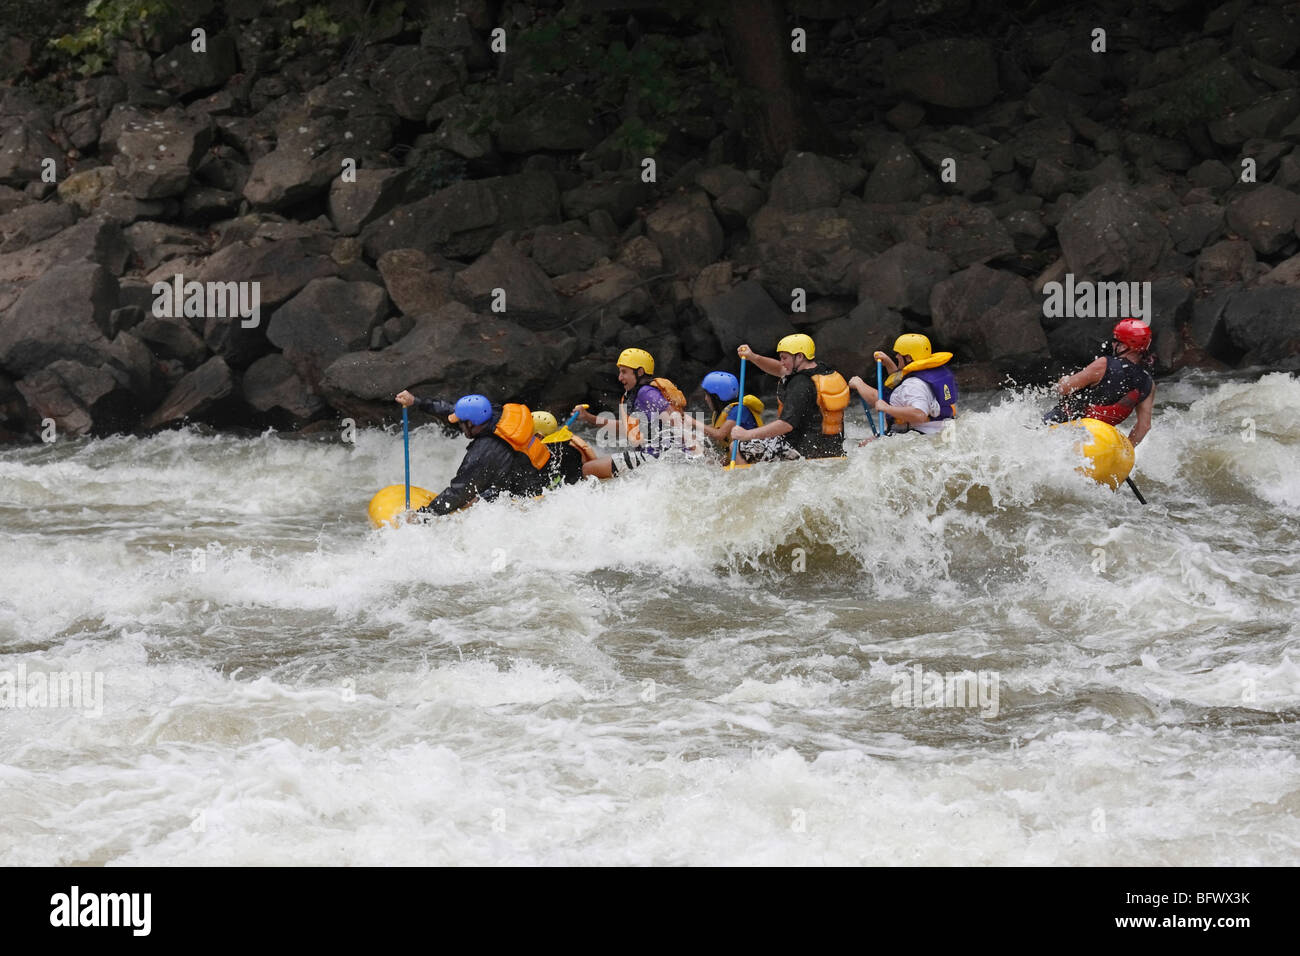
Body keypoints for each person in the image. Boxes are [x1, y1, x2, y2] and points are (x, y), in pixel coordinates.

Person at [393, 391, 551, 515]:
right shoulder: (496, 413)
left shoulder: (485, 453)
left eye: (462, 423)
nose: (459, 426)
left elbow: (459, 492)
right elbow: (453, 412)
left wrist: (424, 516)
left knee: (475, 498)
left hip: (526, 496)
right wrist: (417, 402)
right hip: (530, 472)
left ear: (470, 423)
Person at [570, 347, 689, 478]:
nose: (620, 378)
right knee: (591, 464)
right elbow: (625, 428)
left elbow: (674, 418)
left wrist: (694, 448)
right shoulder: (636, 395)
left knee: (588, 469)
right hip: (653, 458)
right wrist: (588, 417)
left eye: (624, 372)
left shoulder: (646, 393)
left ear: (640, 372)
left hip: (654, 458)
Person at [729, 334, 849, 461]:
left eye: (784, 358)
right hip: (832, 450)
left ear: (800, 356)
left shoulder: (801, 384)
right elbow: (780, 369)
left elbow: (786, 425)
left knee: (736, 447)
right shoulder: (823, 372)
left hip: (800, 450)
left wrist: (747, 434)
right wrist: (753, 357)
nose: (782, 363)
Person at [1042, 318, 1155, 447]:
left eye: (1115, 341)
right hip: (1100, 440)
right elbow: (1144, 426)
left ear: (1124, 346)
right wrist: (1127, 448)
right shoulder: (1148, 383)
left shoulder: (1104, 364)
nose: (1112, 345)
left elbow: (1064, 389)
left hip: (1066, 427)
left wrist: (1063, 380)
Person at [847, 333, 957, 441]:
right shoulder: (927, 372)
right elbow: (899, 390)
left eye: (899, 354)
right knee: (867, 443)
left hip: (919, 438)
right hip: (937, 433)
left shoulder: (914, 385)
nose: (897, 356)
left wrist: (859, 384)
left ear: (908, 357)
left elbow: (919, 414)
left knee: (864, 446)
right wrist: (889, 363)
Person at [684, 370, 765, 450]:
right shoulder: (725, 412)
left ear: (716, 397)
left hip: (754, 452)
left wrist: (692, 421)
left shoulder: (739, 410)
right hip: (736, 454)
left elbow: (719, 434)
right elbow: (712, 431)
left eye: (707, 395)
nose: (705, 399)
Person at [532, 410, 596, 487]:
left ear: (539, 436)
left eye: (527, 433)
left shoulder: (552, 454)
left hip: (572, 489)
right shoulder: (562, 443)